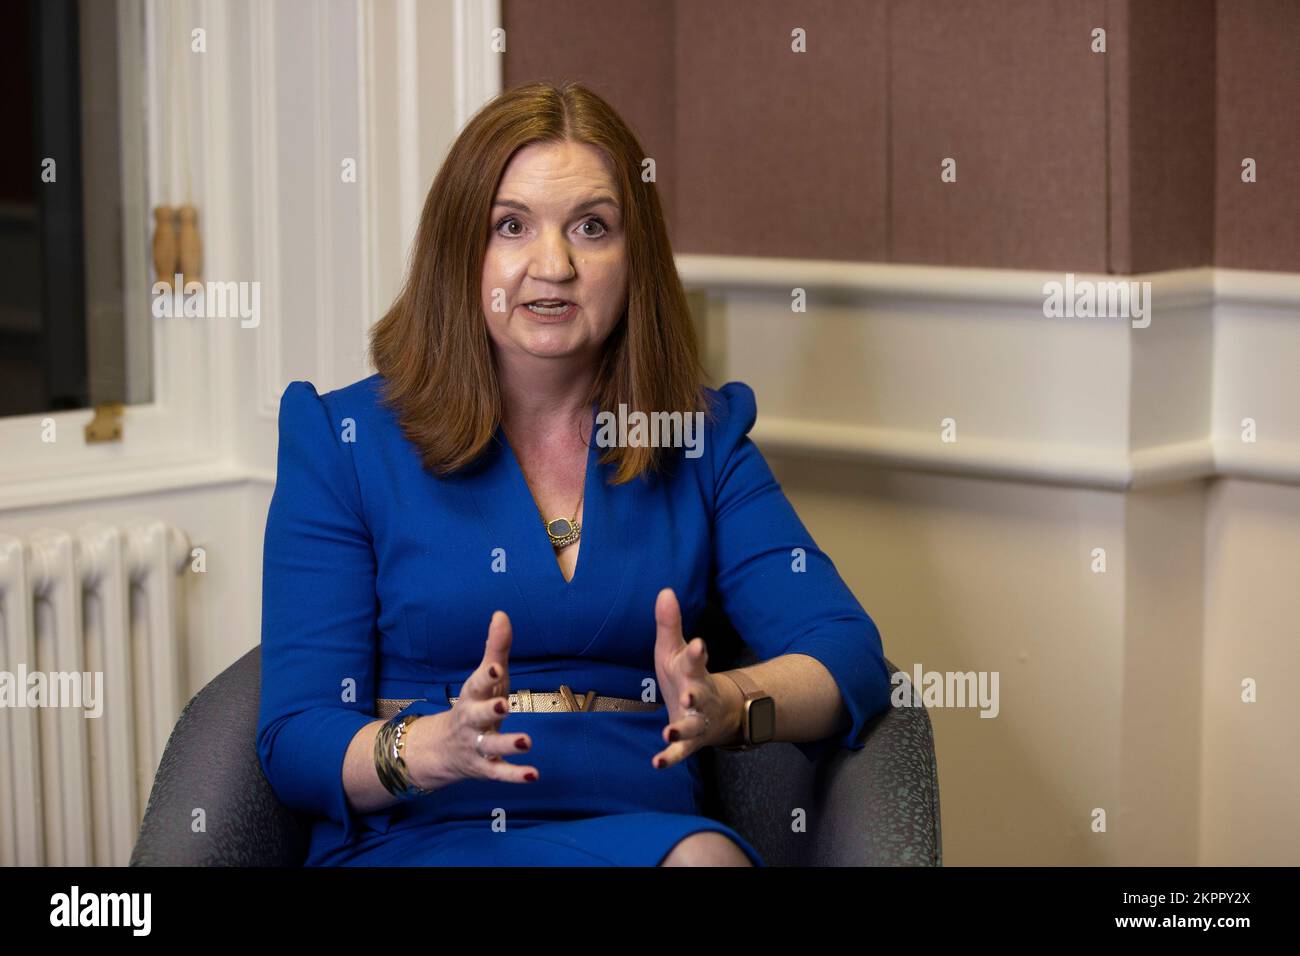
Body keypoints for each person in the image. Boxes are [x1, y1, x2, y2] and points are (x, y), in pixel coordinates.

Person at [256, 80, 891, 867]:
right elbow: (294, 737)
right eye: (511, 226)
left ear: (635, 257)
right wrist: (432, 749)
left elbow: (847, 653)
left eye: (592, 227)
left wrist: (729, 705)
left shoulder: (699, 440)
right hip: (423, 834)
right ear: (464, 249)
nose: (552, 265)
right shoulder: (343, 441)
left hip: (640, 827)